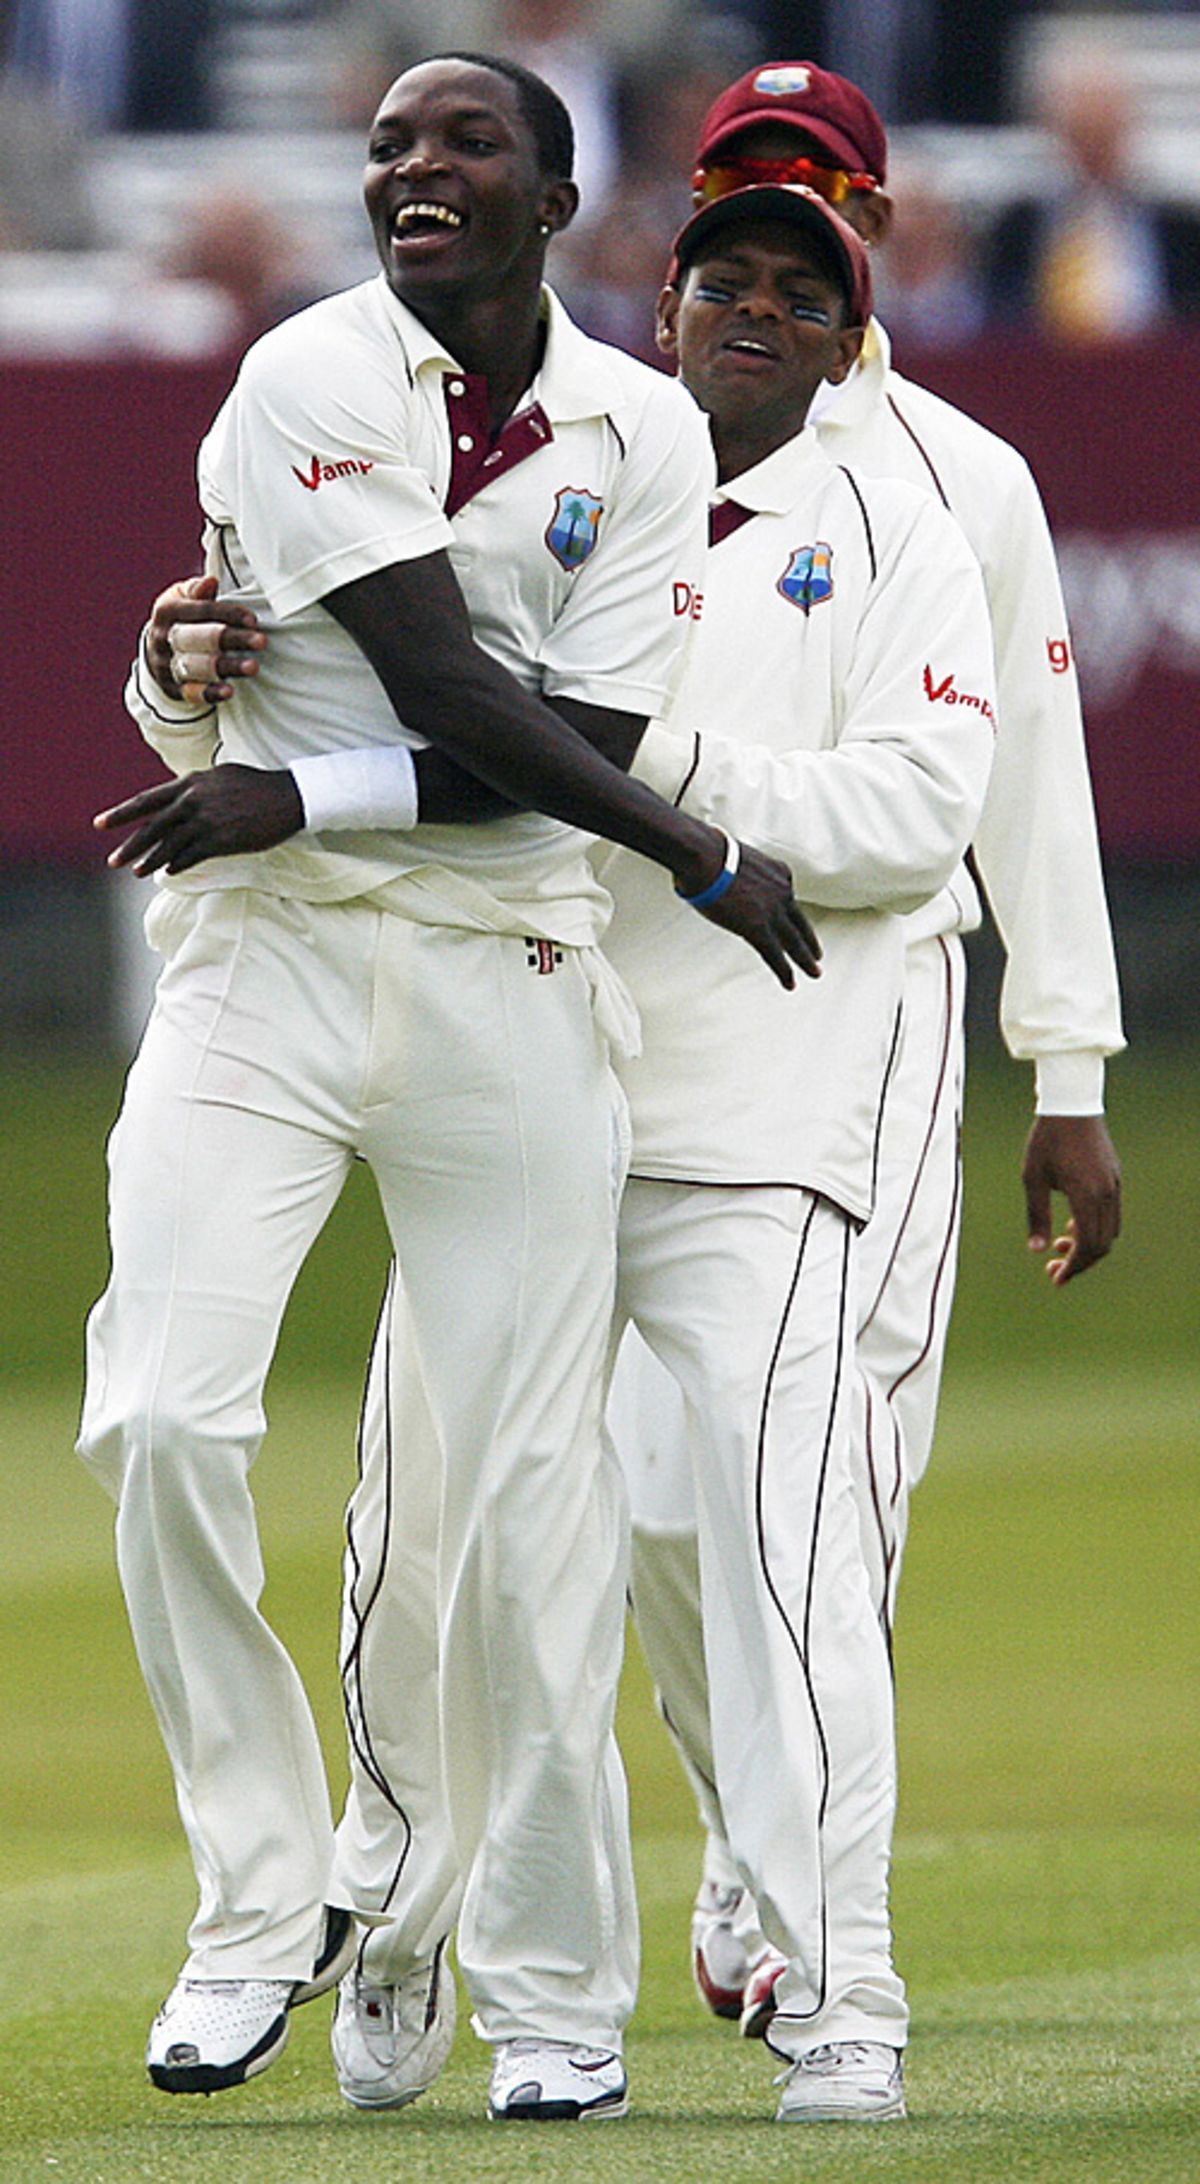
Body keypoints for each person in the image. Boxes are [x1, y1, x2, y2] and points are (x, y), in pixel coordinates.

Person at [144, 177, 997, 2124]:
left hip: (749, 1132)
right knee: (414, 1566)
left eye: (804, 291)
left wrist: (627, 779)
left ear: (854, 337)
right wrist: (191, 668)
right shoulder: (544, 472)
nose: (753, 313)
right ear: (662, 302)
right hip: (517, 1073)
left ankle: (837, 2000)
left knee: (787, 1574)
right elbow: (362, 712)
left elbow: (909, 819)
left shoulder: (894, 535)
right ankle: (397, 1922)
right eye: (723, 282)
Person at [80, 51, 817, 2123]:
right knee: (162, 1417)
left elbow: (550, 745)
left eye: (463, 140)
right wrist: (692, 848)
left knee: (522, 1518)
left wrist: (282, 780)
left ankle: (521, 1978)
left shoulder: (647, 433)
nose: (413, 166)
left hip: (513, 966)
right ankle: (259, 1909)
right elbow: (443, 680)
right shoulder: (308, 373)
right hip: (269, 968)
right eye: (389, 142)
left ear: (557, 193)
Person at [611, 60, 1124, 2039]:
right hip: (658, 1018)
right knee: (663, 1499)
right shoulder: (630, 449)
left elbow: (1031, 795)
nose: (779, 220)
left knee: (827, 1491)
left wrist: (1064, 1076)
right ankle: (758, 1829)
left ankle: (797, 1904)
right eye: (743, 188)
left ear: (878, 227)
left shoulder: (963, 478)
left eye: (816, 189)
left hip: (878, 1013)